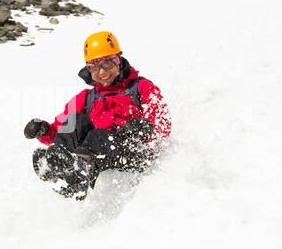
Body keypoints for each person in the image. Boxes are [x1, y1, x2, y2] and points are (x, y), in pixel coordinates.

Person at [23, 30, 171, 198]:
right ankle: (55, 164)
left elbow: (162, 124)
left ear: (119, 61)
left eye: (108, 63)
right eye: (94, 67)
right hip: (99, 153)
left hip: (133, 153)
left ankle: (81, 169)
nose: (102, 72)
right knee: (76, 119)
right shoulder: (87, 98)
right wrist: (44, 131)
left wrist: (144, 129)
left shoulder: (141, 88)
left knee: (99, 135)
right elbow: (61, 128)